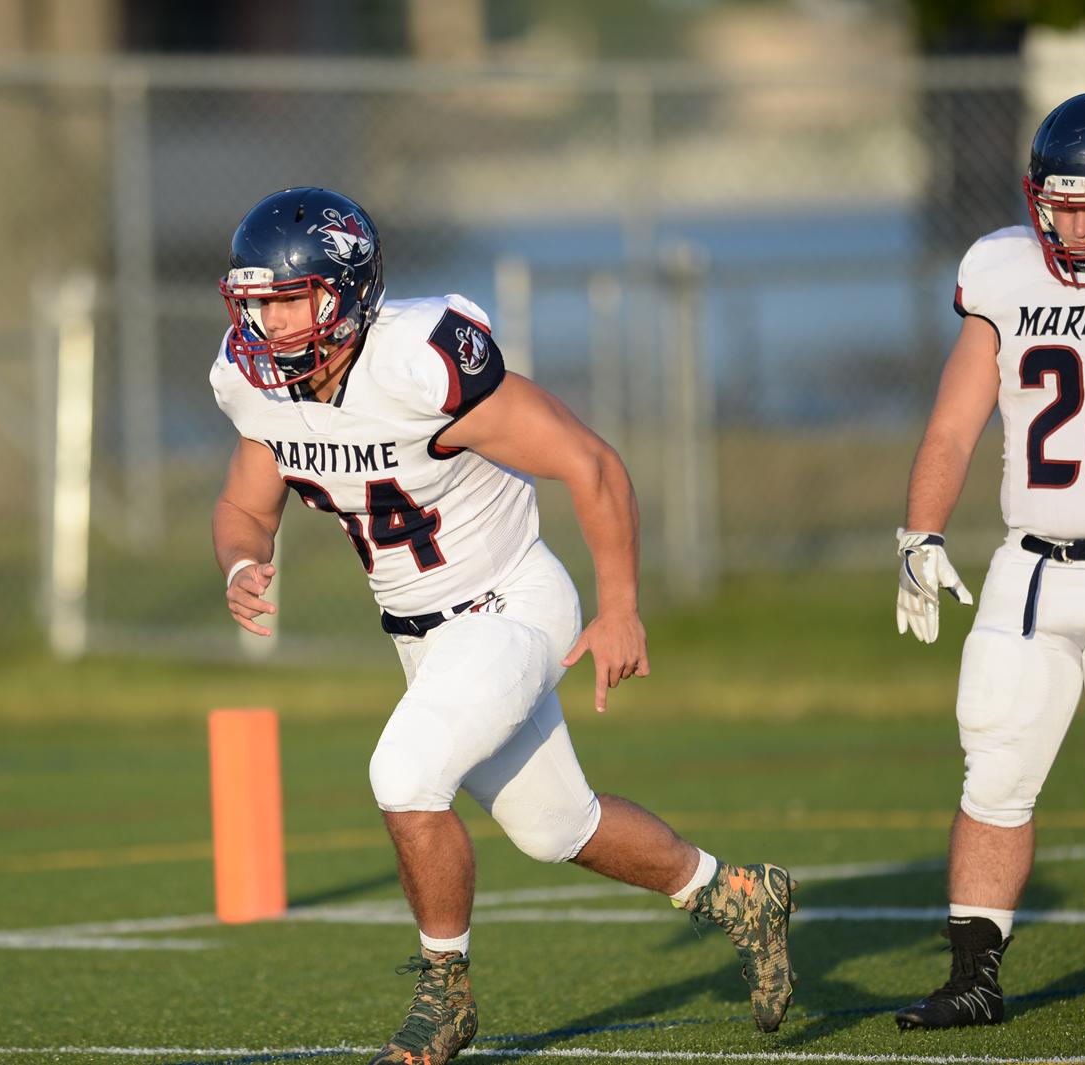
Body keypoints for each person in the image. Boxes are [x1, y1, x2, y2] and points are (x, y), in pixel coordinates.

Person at [209, 186, 795, 1062]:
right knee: (559, 828)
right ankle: (738, 893)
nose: (268, 322)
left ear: (347, 292)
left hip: (510, 602)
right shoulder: (258, 382)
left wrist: (621, 605)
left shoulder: (422, 362)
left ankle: (444, 995)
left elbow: (590, 463)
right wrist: (242, 559)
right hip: (422, 637)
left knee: (404, 773)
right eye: (255, 301)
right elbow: (244, 503)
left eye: (289, 299)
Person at [892, 90, 1085, 1031]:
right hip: (1029, 568)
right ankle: (974, 976)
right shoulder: (1001, 268)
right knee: (993, 764)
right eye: (1060, 203)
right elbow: (954, 424)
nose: (1073, 224)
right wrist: (920, 532)